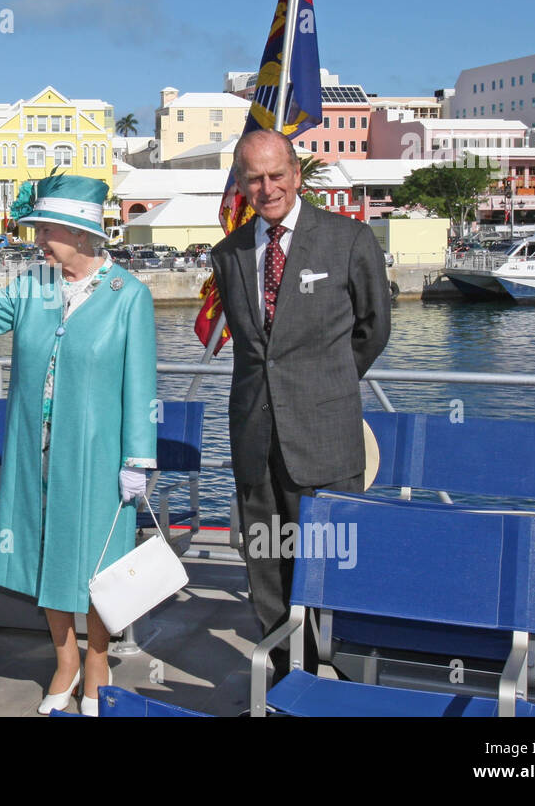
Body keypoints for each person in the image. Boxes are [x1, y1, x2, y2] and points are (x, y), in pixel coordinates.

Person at [0, 174, 158, 716]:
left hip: (98, 459)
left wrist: (139, 461)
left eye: (49, 230)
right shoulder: (32, 286)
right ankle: (65, 660)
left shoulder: (129, 296)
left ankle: (97, 662)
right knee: (45, 554)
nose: (40, 241)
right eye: (39, 230)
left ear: (82, 234)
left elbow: (142, 383)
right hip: (35, 454)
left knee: (97, 565)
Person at [208, 129, 391, 680]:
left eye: (276, 175)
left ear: (296, 174)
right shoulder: (229, 254)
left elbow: (373, 328)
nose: (267, 189)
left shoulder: (349, 241)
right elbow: (249, 347)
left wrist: (322, 386)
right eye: (254, 178)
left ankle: (330, 677)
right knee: (265, 564)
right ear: (240, 183)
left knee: (327, 564)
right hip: (256, 438)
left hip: (324, 437)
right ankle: (286, 682)